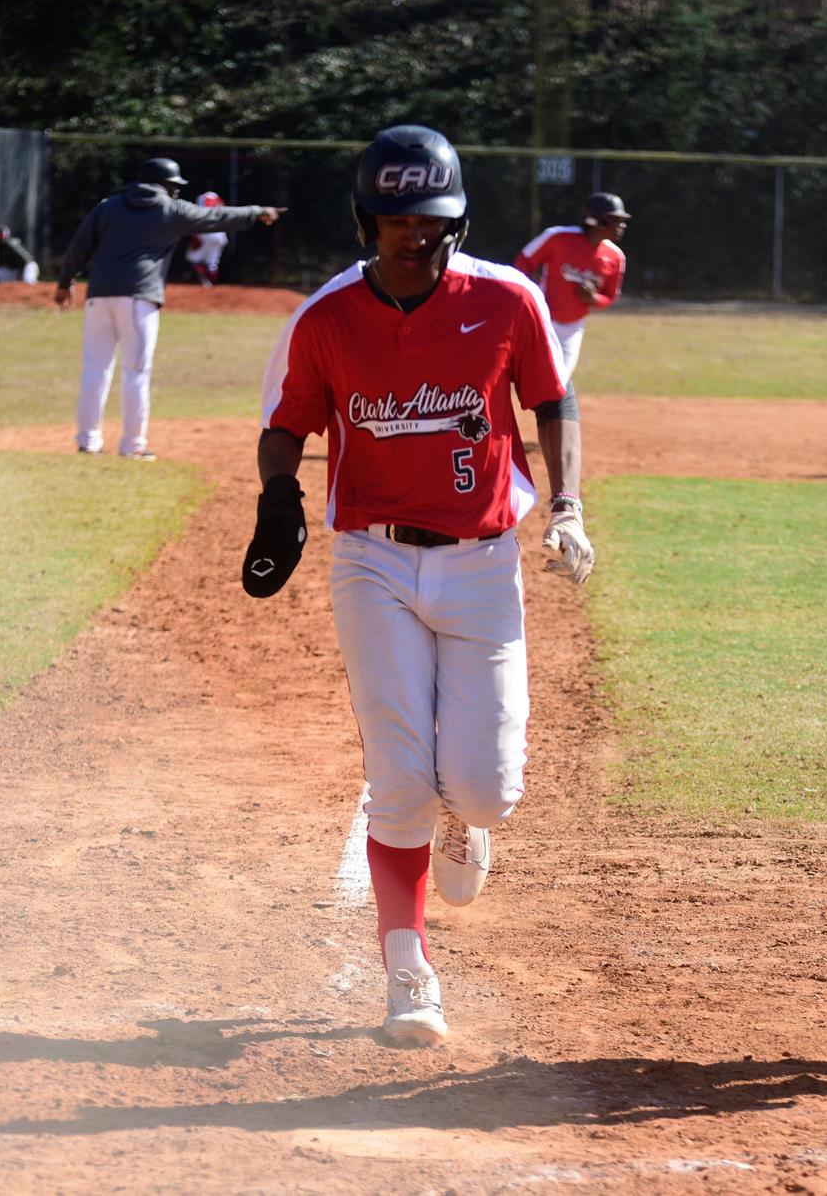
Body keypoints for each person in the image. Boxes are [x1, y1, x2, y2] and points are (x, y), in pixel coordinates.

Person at [239, 124, 593, 1046]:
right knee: (398, 778)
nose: (413, 235)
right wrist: (280, 493)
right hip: (375, 560)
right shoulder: (326, 317)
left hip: (483, 564)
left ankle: (466, 822)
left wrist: (567, 505)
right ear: (367, 219)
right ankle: (410, 974)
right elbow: (285, 424)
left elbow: (552, 402)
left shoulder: (508, 299)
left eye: (430, 219)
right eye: (395, 219)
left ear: (457, 220)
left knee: (484, 790)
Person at [53, 158, 283, 459]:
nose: (176, 192)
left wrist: (64, 281)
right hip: (138, 299)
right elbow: (216, 216)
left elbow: (79, 244)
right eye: (175, 186)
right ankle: (133, 445)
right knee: (136, 372)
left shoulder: (108, 206)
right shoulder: (169, 210)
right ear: (166, 185)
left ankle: (88, 441)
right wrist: (258, 212)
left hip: (98, 296)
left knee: (96, 370)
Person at [513, 192, 629, 383]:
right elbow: (524, 262)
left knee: (558, 383)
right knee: (519, 374)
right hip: (540, 319)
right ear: (596, 220)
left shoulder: (615, 256)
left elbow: (610, 296)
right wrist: (531, 295)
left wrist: (593, 299)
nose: (621, 226)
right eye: (615, 220)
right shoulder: (558, 237)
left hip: (573, 329)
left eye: (622, 221)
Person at [184, 193, 230, 287]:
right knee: (213, 263)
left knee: (193, 258)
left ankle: (204, 282)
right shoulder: (218, 200)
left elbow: (198, 215)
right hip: (220, 233)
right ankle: (212, 284)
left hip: (204, 230)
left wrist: (194, 235)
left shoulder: (201, 198)